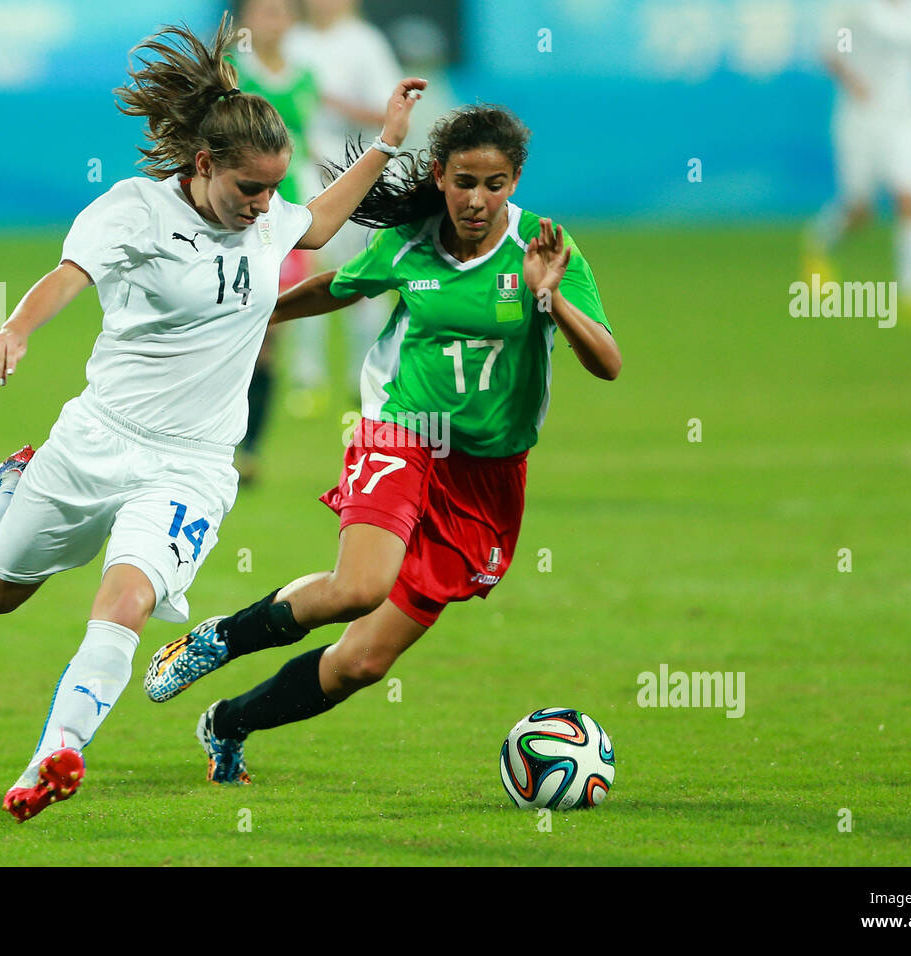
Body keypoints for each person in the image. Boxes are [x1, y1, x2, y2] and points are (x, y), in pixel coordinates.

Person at [0, 14, 425, 821]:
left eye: (273, 188)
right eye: (249, 188)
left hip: (193, 463)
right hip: (98, 435)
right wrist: (16, 329)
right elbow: (67, 276)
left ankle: (55, 752)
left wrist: (383, 144)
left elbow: (317, 219)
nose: (263, 206)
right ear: (205, 164)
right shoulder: (134, 211)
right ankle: (10, 484)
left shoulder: (269, 217)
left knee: (128, 599)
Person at [142, 105, 622, 784]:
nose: (476, 200)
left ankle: (229, 723)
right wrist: (246, 316)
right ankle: (218, 639)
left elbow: (607, 362)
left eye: (494, 184)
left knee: (361, 664)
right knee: (358, 587)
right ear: (439, 175)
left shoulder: (545, 251)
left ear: (514, 182)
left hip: (487, 474)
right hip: (403, 433)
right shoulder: (411, 244)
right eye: (463, 182)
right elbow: (335, 289)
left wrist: (553, 301)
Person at [282, 0, 405, 416]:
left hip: (359, 176)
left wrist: (326, 100)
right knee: (306, 275)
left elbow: (387, 112)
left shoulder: (365, 43)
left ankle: (366, 375)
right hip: (304, 174)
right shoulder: (291, 40)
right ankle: (306, 378)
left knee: (365, 279)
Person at [804, 0, 911, 321]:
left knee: (910, 197)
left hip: (906, 118)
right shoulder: (854, 8)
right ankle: (818, 244)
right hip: (861, 117)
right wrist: (856, 84)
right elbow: (830, 51)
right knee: (860, 209)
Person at [230, 0, 322, 483]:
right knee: (223, 328)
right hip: (236, 220)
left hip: (286, 221)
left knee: (269, 335)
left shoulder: (306, 77)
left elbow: (307, 147)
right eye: (266, 12)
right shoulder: (231, 73)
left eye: (283, 12)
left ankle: (249, 449)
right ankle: (216, 437)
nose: (276, 21)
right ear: (246, 21)